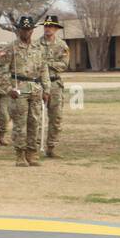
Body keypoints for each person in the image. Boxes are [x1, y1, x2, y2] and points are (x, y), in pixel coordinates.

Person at [0, 15, 51, 167]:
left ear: (32, 31)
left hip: (35, 89)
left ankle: (32, 153)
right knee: (20, 124)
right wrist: (9, 89)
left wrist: (46, 89)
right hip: (19, 89)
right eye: (24, 29)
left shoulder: (38, 48)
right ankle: (20, 154)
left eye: (29, 30)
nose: (27, 32)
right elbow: (2, 71)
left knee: (34, 122)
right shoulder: (11, 48)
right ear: (19, 30)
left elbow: (44, 70)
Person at [39, 14, 70, 158]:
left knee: (56, 117)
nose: (48, 28)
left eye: (51, 26)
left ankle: (51, 147)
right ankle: (34, 146)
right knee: (35, 117)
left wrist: (47, 63)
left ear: (56, 28)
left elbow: (63, 65)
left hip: (55, 83)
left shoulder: (62, 45)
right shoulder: (36, 44)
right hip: (38, 84)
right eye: (46, 26)